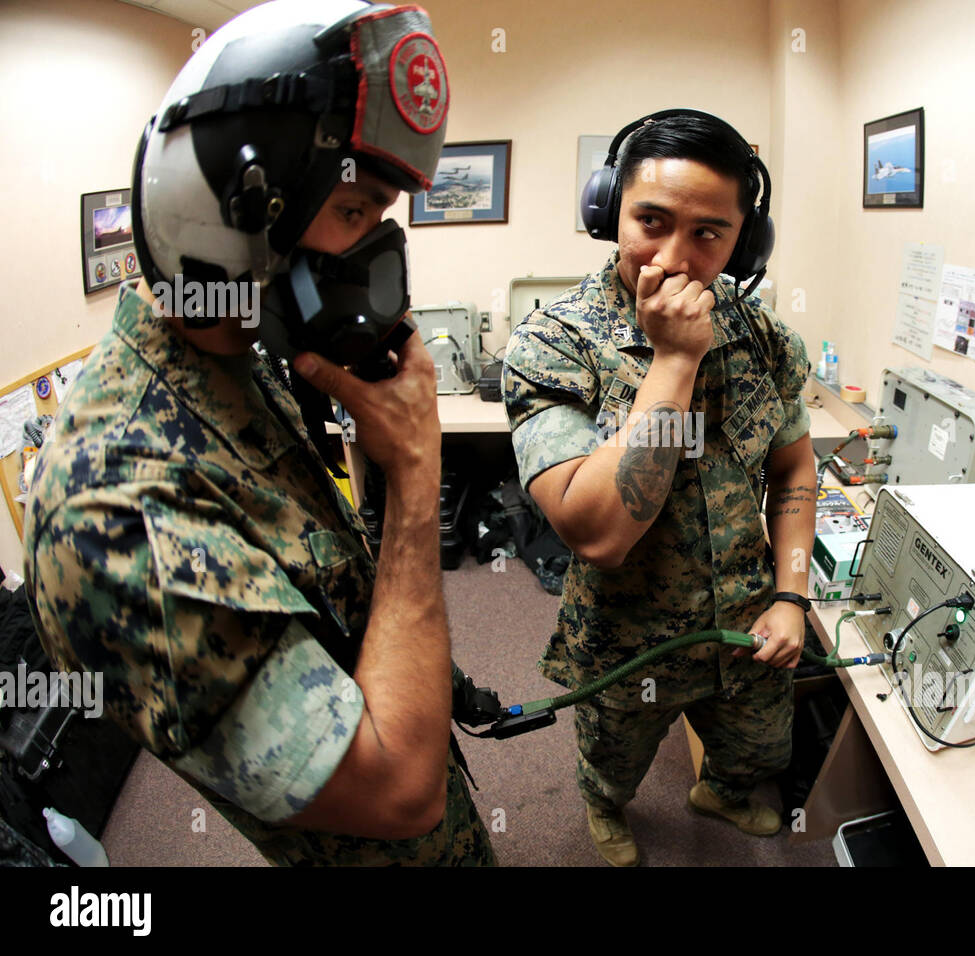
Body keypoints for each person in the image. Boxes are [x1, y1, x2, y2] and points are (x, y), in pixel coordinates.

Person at [23, 0, 494, 866]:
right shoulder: (115, 510)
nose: (376, 253)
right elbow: (397, 786)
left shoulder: (238, 350)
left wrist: (379, 434)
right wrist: (422, 470)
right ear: (235, 213)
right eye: (355, 211)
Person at [502, 110, 816, 866]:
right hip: (627, 641)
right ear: (609, 211)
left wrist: (791, 594)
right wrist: (672, 363)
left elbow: (794, 467)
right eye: (651, 221)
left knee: (758, 751)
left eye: (709, 233)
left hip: (749, 632)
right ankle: (604, 809)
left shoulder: (766, 335)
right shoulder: (555, 340)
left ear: (746, 241)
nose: (674, 257)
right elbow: (597, 534)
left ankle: (721, 792)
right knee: (613, 763)